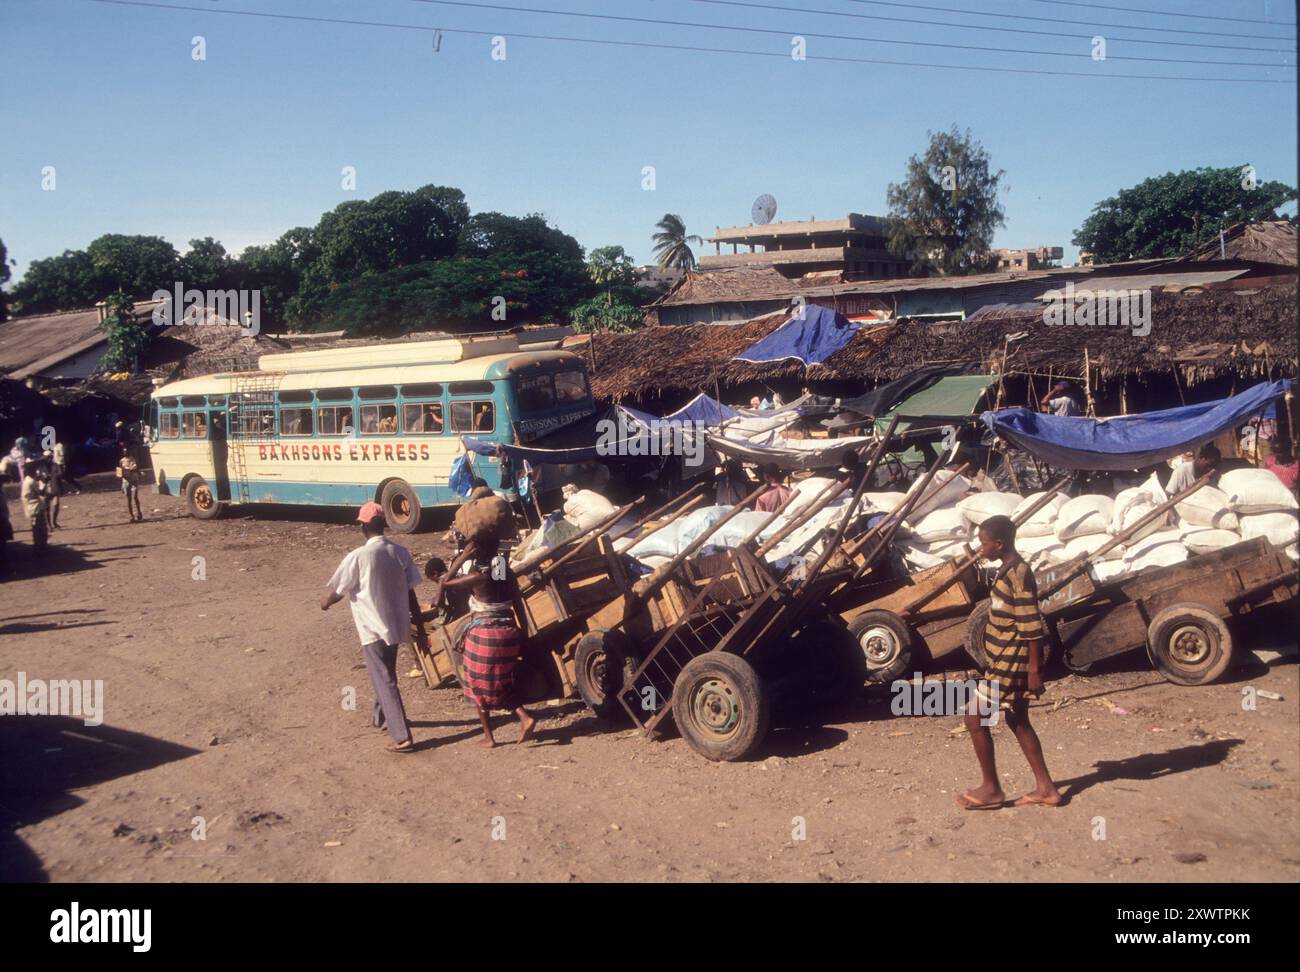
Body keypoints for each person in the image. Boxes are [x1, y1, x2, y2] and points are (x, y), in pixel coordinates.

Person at [958, 515, 1060, 810]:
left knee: (974, 717)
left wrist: (1034, 670)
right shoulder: (1006, 570)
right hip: (1003, 659)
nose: (980, 549)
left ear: (999, 544)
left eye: (983, 543)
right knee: (1018, 719)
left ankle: (991, 790)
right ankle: (1047, 789)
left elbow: (1031, 625)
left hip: (1011, 662)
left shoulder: (1019, 573)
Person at [320, 502, 430, 754]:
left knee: (384, 678)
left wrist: (325, 603)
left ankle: (402, 736)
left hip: (371, 627)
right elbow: (412, 594)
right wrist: (420, 628)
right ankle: (380, 717)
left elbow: (338, 591)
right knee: (385, 673)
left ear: (364, 526)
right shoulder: (400, 553)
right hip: (396, 625)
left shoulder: (359, 556)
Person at [432, 536, 537, 748]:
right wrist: (523, 633)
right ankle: (524, 717)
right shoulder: (505, 576)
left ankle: (491, 736)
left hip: (485, 636)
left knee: (475, 685)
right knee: (501, 683)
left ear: (478, 554)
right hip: (509, 633)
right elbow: (518, 605)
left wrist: (463, 556)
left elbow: (444, 582)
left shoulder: (478, 577)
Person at [117, 443, 145, 523]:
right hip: (126, 481)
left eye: (127, 451)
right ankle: (132, 515)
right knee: (129, 499)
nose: (126, 453)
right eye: (124, 452)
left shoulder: (132, 459)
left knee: (135, 496)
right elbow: (119, 472)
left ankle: (139, 512)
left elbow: (134, 467)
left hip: (133, 480)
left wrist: (128, 471)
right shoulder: (121, 461)